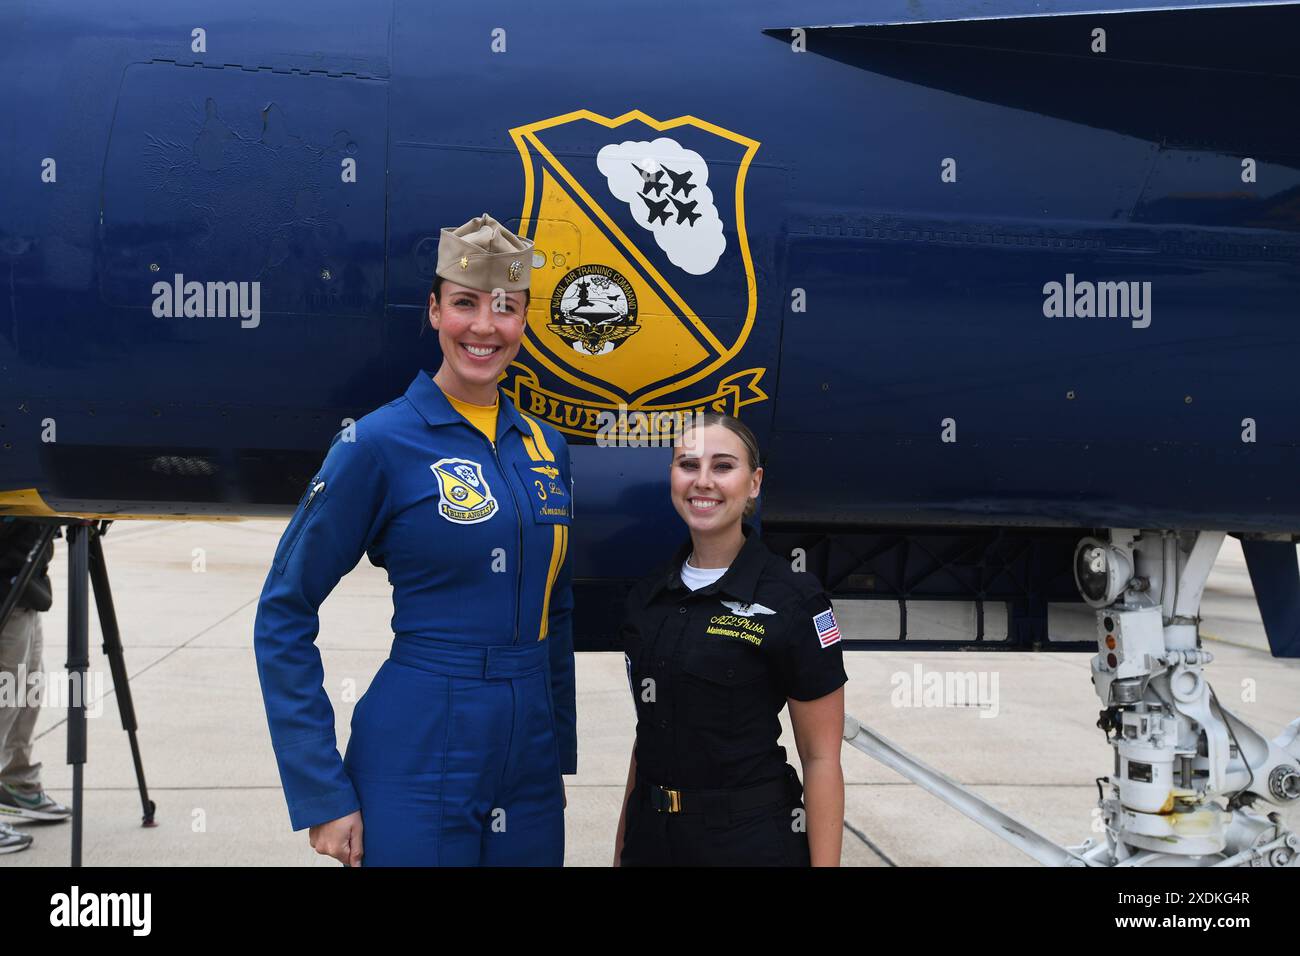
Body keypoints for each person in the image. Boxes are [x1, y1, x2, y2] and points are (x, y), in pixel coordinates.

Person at [254, 213, 575, 866]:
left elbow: (556, 607)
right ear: (434, 311)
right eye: (465, 304)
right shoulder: (376, 444)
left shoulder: (547, 447)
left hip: (529, 761)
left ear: (524, 320)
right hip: (420, 741)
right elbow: (283, 610)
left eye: (506, 308)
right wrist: (321, 791)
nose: (485, 327)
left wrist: (554, 748)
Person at [613, 414, 846, 866]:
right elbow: (648, 740)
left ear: (754, 483)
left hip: (750, 842)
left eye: (722, 466)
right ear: (672, 478)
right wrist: (622, 852)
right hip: (653, 841)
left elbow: (821, 759)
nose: (703, 482)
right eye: (687, 465)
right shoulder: (647, 597)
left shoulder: (795, 600)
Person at [0, 518, 72, 854]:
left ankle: (16, 782)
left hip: (25, 579)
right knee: (6, 694)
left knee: (27, 688)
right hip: (6, 580)